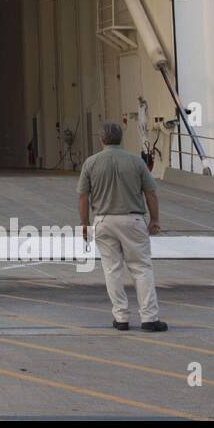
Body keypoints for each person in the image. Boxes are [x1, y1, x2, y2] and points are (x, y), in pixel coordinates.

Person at [77, 121, 168, 332]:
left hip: (103, 220)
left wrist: (84, 223)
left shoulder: (91, 163)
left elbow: (83, 196)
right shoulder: (136, 162)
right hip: (132, 219)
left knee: (112, 269)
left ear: (101, 139)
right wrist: (154, 220)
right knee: (141, 268)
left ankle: (121, 318)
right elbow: (150, 193)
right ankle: (149, 318)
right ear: (122, 139)